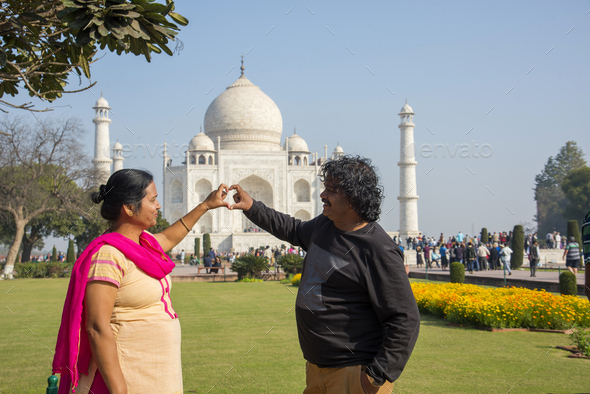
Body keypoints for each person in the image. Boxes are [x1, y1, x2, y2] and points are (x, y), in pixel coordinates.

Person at [229, 155, 420, 393]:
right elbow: (293, 229)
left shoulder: (376, 249)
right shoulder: (325, 225)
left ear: (353, 198)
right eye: (325, 188)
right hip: (317, 368)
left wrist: (378, 374)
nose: (323, 195)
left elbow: (404, 318)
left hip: (354, 372)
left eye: (332, 190)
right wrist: (252, 206)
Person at [52, 170, 230, 393]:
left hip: (156, 370)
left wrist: (205, 205)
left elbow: (168, 237)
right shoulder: (109, 255)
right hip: (129, 372)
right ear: (128, 207)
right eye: (152, 200)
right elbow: (97, 327)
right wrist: (119, 390)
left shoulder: (143, 244)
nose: (158, 206)